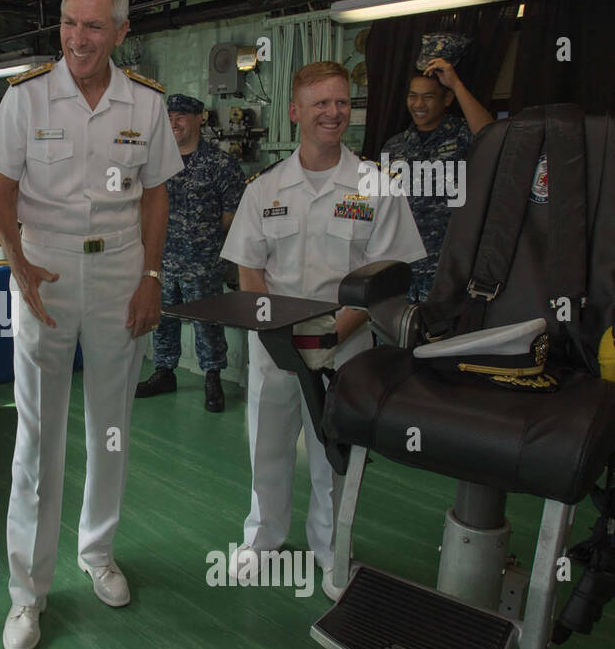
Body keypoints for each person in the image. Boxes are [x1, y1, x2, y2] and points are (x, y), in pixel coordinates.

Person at [0, 0, 184, 649]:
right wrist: (16, 262)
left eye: (94, 25)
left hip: (121, 265)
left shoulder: (145, 104)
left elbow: (156, 194)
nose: (78, 38)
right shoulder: (27, 97)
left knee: (111, 426)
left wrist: (151, 275)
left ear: (121, 31)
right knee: (37, 436)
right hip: (45, 268)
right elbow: (0, 197)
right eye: (69, 23)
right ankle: (27, 594)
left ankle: (97, 554)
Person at [221, 61, 425, 599]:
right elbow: (249, 268)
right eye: (321, 103)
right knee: (267, 443)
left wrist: (332, 332)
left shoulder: (376, 187)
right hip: (274, 344)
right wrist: (280, 332)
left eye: (342, 103)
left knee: (334, 453)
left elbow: (383, 279)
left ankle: (332, 549)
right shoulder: (264, 189)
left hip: (346, 344)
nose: (334, 113)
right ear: (295, 112)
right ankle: (262, 538)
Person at [136, 93, 243, 411]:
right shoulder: (153, 163)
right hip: (161, 259)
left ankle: (213, 377)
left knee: (208, 322)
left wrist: (202, 239)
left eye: (182, 116)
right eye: (169, 117)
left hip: (203, 261)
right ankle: (164, 371)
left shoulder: (219, 163)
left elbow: (233, 213)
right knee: (162, 318)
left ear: (200, 119)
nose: (174, 122)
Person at [381, 55, 493, 301]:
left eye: (428, 97)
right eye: (413, 96)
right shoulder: (395, 146)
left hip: (451, 267)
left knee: (446, 337)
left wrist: (456, 83)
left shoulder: (463, 135)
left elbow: (493, 138)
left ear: (447, 99)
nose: (418, 104)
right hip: (404, 268)